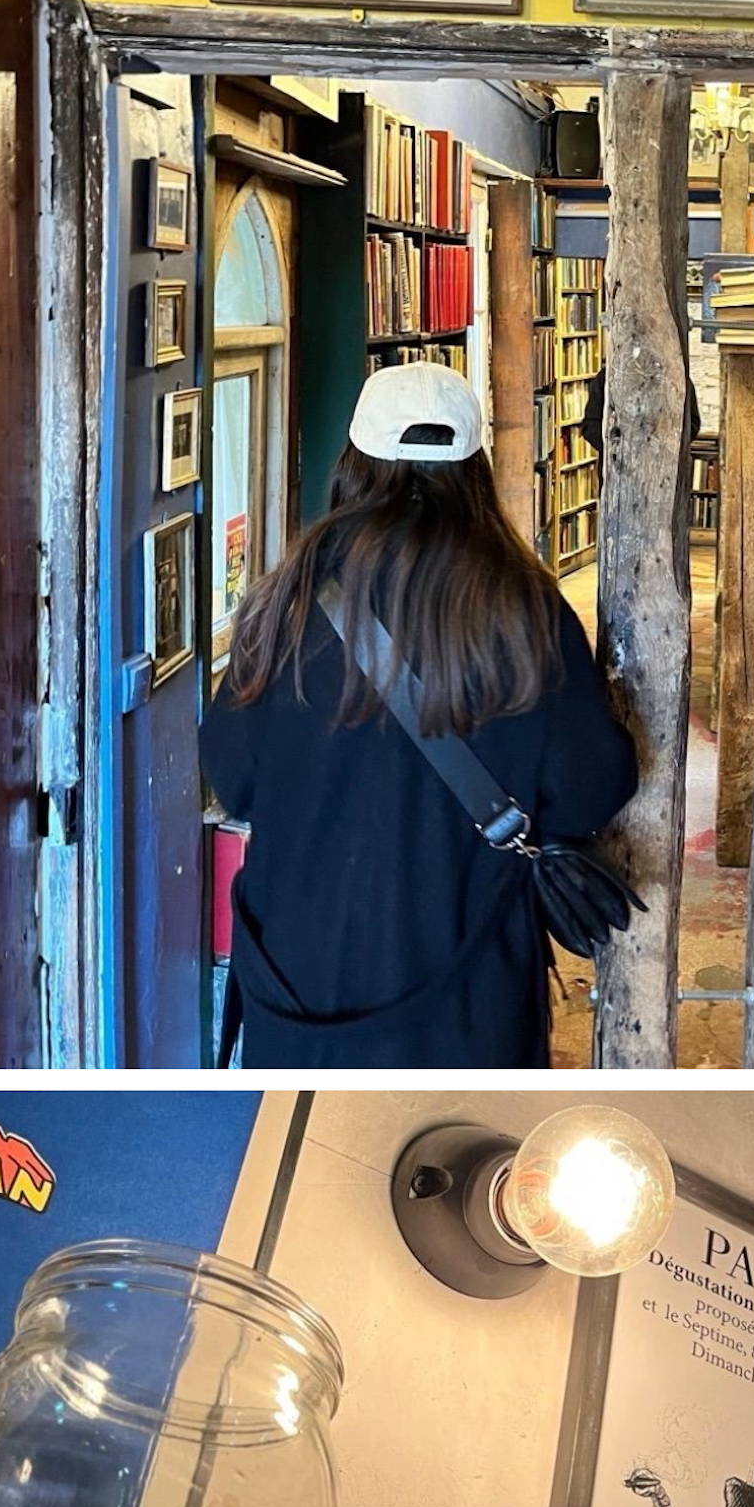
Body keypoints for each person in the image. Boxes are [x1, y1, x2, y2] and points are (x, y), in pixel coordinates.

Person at [199, 359, 638, 1067]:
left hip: (302, 996)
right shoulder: (528, 612)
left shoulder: (284, 602)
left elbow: (232, 775)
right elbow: (592, 787)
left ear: (353, 463)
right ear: (474, 470)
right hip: (465, 996)